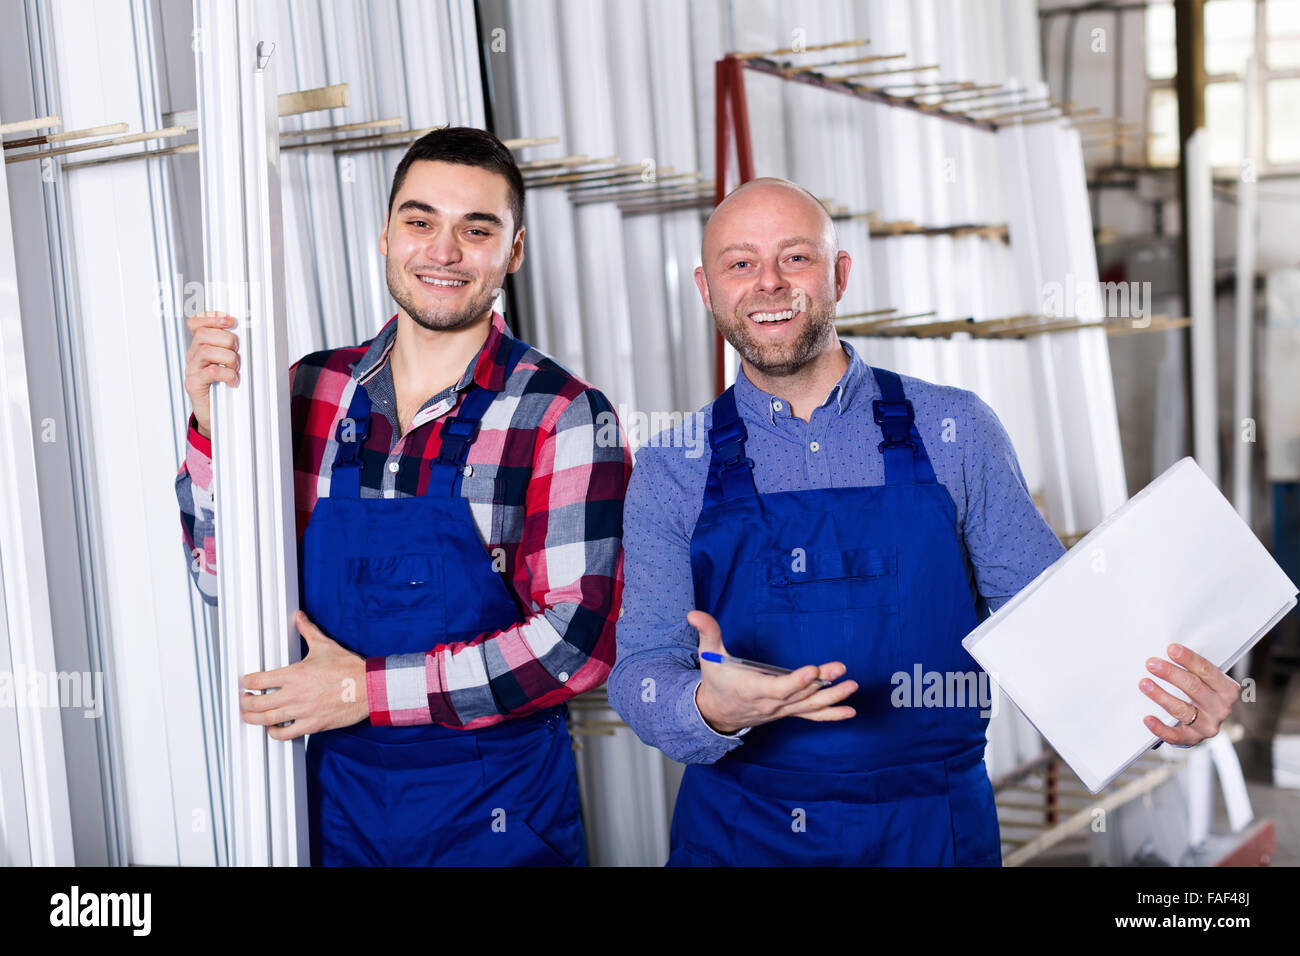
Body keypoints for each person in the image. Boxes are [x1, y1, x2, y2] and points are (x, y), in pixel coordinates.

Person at [607, 177, 1244, 866]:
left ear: (839, 274)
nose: (768, 283)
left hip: (933, 833)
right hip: (743, 831)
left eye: (796, 257)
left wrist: (1164, 708)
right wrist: (706, 708)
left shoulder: (954, 432)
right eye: (740, 264)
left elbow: (1052, 626)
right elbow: (641, 668)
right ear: (707, 289)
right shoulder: (673, 465)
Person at [175, 127, 632, 866]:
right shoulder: (303, 391)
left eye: (475, 230)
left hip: (498, 819)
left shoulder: (564, 415)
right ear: (385, 237)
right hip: (329, 807)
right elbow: (222, 577)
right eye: (420, 222)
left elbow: (575, 648)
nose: (443, 252)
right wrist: (209, 427)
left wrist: (366, 692)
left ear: (513, 252)